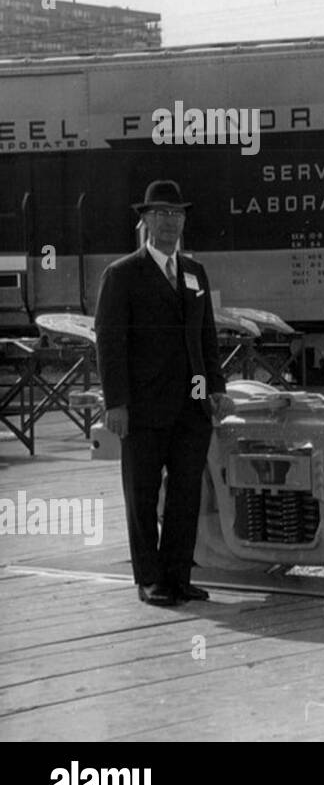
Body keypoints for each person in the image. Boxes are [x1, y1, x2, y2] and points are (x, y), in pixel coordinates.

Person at [95, 180, 233, 607]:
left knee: (186, 494)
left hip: (191, 408)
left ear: (183, 220)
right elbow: (109, 340)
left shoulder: (194, 273)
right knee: (141, 494)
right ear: (146, 221)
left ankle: (178, 575)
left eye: (176, 215)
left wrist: (215, 389)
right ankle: (149, 579)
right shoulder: (122, 274)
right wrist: (116, 403)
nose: (169, 223)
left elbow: (205, 337)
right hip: (142, 408)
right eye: (161, 215)